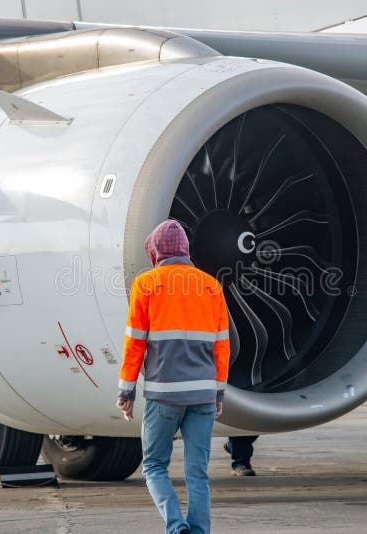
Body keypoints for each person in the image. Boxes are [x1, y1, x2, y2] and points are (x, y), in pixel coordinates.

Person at [117, 219, 230, 534]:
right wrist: (218, 394)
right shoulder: (210, 285)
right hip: (204, 395)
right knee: (198, 474)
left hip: (164, 394)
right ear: (185, 249)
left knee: (154, 467)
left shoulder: (146, 284)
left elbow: (135, 345)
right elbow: (222, 347)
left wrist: (126, 393)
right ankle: (198, 530)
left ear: (155, 251)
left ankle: (175, 525)